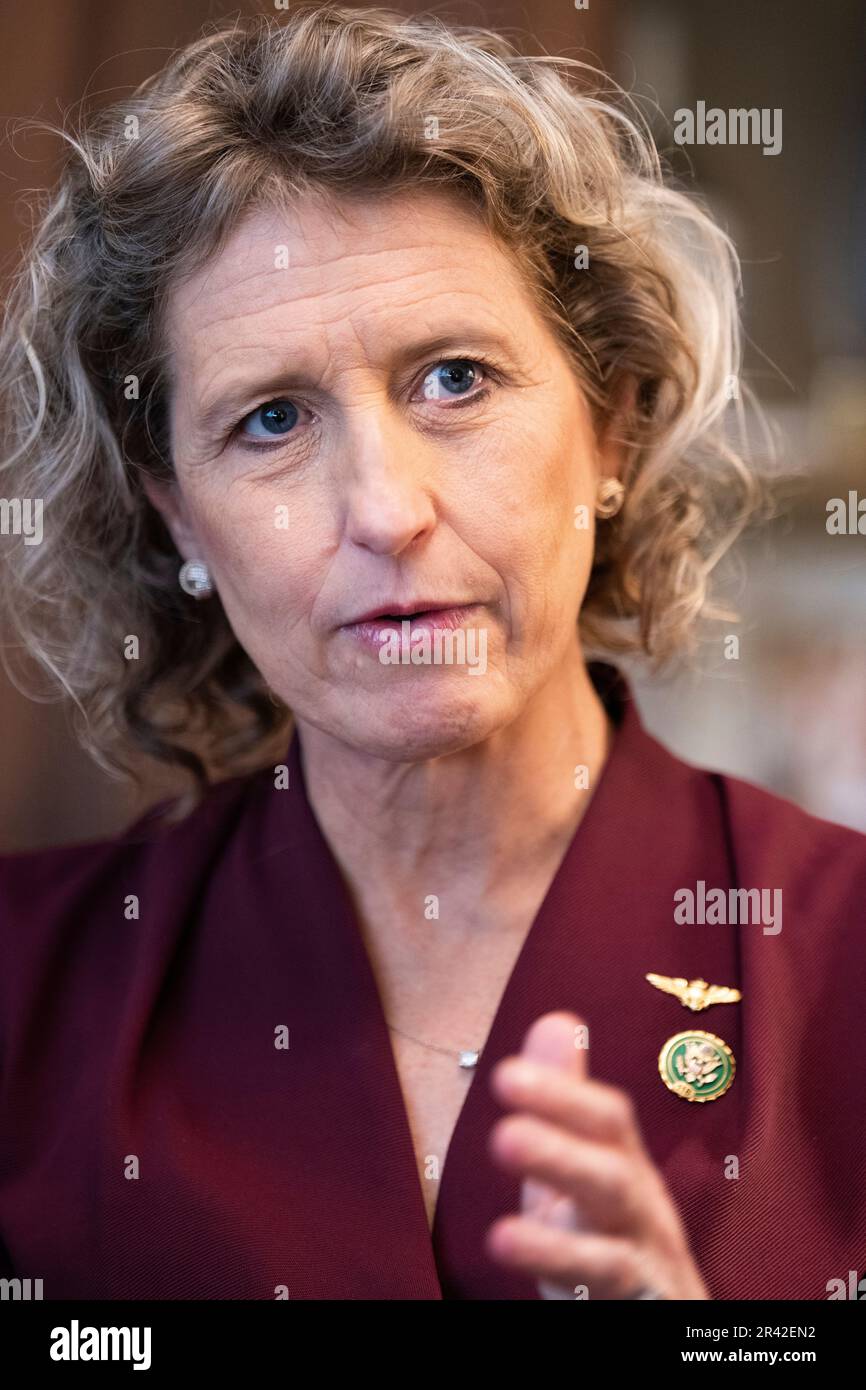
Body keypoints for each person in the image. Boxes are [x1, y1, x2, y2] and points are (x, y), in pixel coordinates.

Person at [0, 6, 863, 1301]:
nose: (385, 510)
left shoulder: (841, 952)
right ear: (175, 509)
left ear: (613, 432)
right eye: (271, 418)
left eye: (453, 379)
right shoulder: (28, 990)